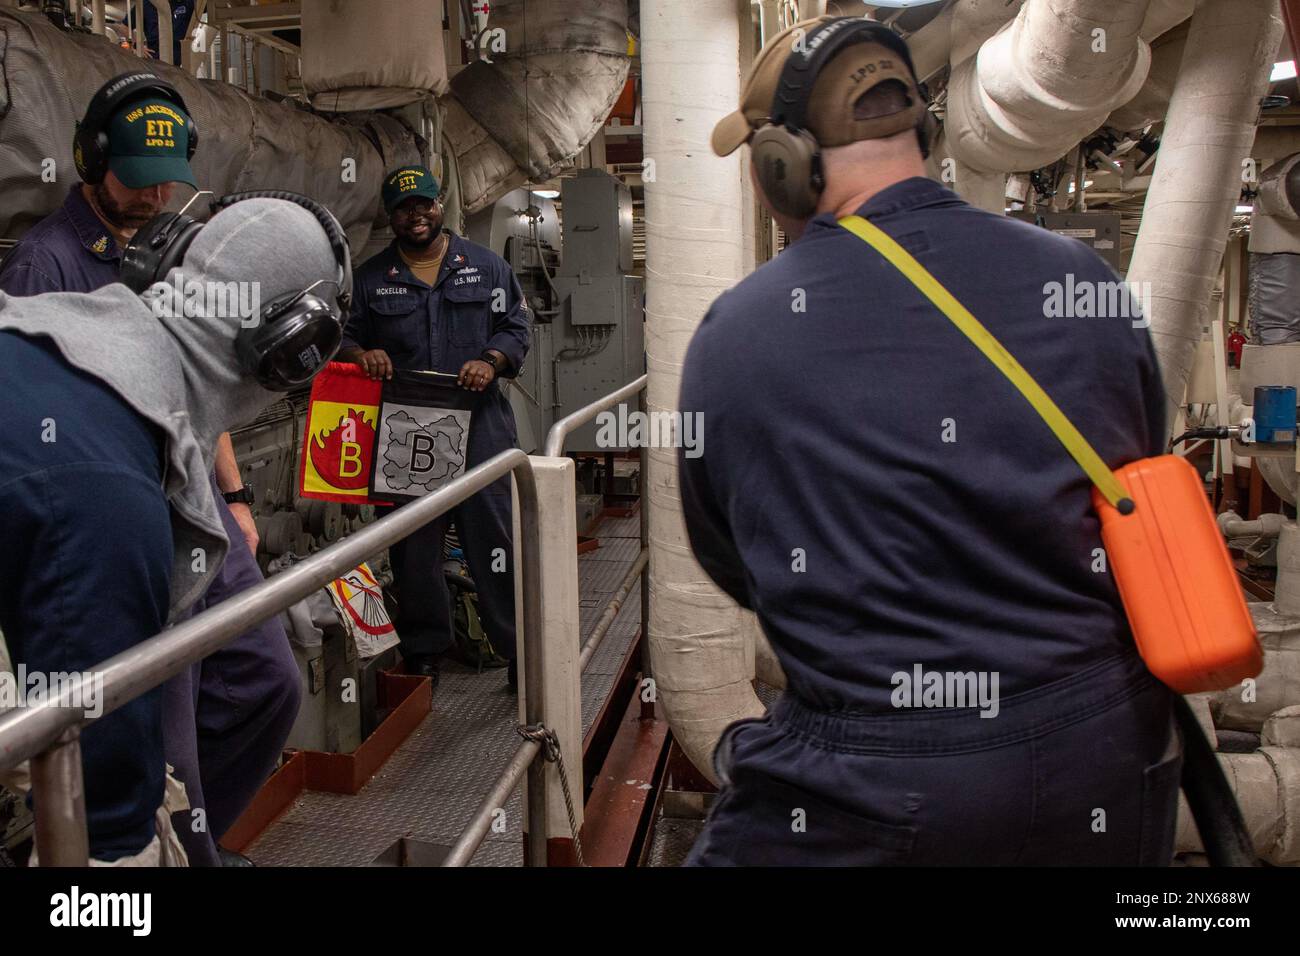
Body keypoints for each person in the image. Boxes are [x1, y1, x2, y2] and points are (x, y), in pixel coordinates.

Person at [677, 17, 1181, 866]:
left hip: (876, 779)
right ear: (923, 129)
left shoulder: (741, 333)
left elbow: (731, 559)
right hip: (1104, 750)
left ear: (783, 168)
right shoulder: (1082, 283)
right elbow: (1138, 473)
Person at [0, 73, 301, 867]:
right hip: (122, 510)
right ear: (90, 161)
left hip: (191, 480)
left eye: (169, 179)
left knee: (268, 680)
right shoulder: (45, 263)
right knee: (160, 714)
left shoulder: (166, 246)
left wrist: (234, 497)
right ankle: (166, 850)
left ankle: (192, 834)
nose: (155, 195)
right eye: (136, 178)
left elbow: (202, 377)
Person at [340, 165, 530, 689]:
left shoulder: (486, 268)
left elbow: (517, 324)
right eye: (404, 207)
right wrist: (362, 353)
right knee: (413, 546)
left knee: (492, 538)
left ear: (439, 205)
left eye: (423, 203)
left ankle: (519, 652)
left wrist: (491, 360)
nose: (415, 214)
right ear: (391, 215)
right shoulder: (372, 278)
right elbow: (344, 336)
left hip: (480, 422)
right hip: (408, 428)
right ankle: (425, 651)